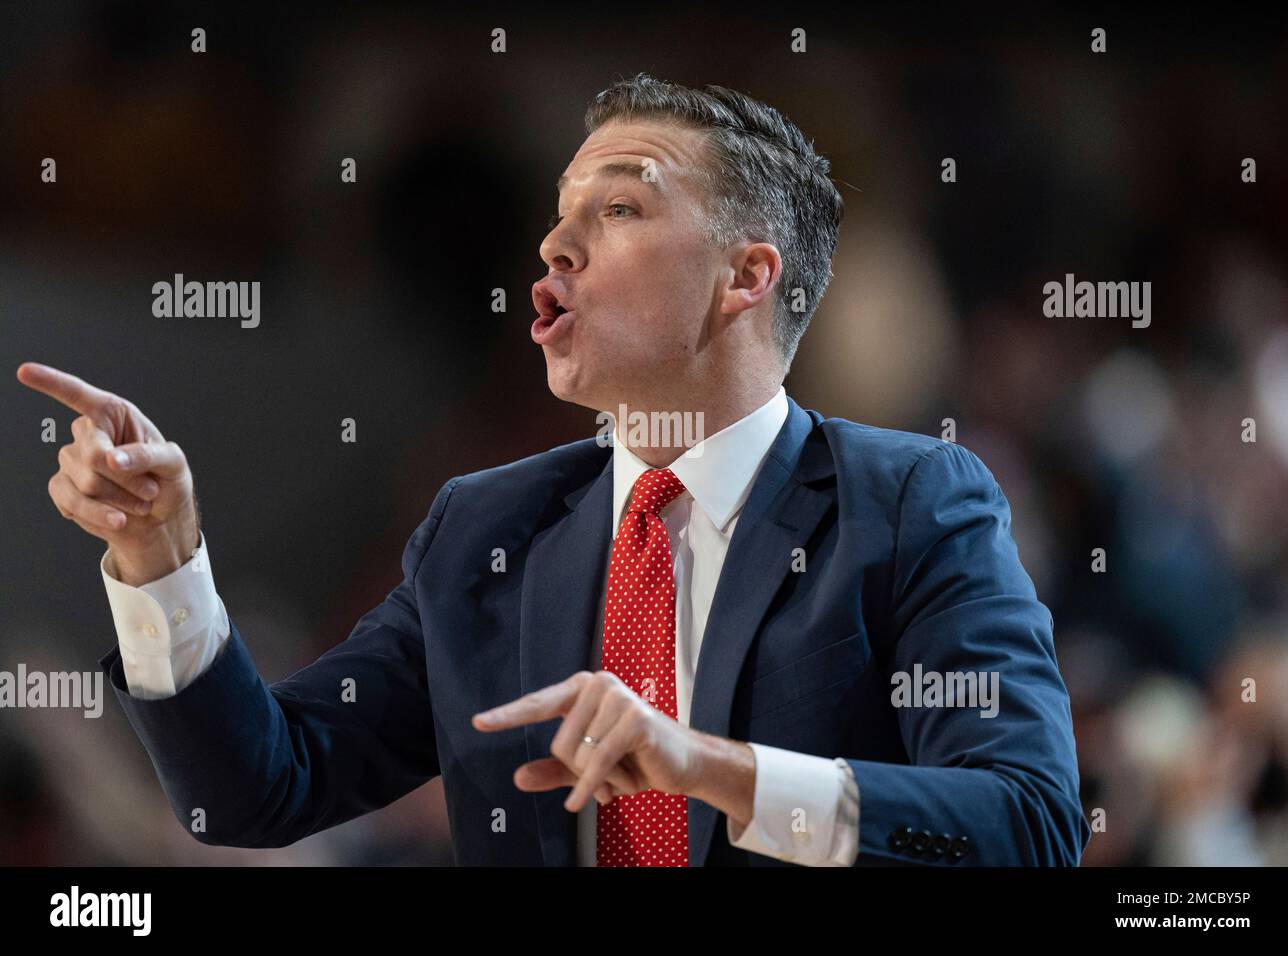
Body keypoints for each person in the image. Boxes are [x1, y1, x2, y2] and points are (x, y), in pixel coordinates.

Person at [16, 73, 1089, 866]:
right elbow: (257, 790)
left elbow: (1030, 824)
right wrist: (162, 563)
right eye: (560, 213)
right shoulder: (485, 526)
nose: (556, 247)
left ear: (743, 275)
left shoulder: (914, 502)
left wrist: (708, 767)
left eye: (617, 210)